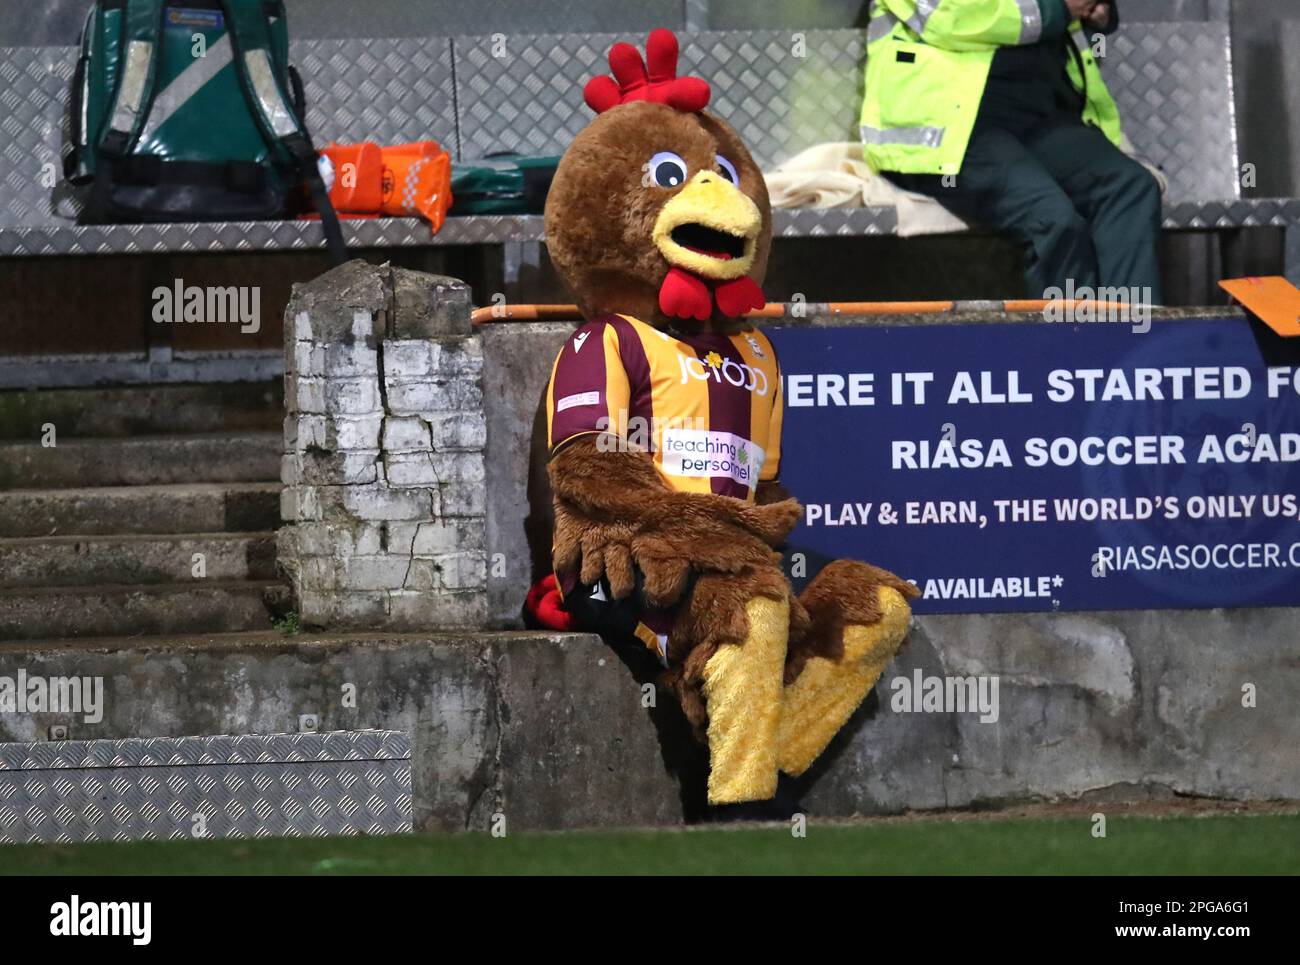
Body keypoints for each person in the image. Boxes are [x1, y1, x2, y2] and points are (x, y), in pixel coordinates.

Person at [861, 0, 1163, 304]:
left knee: (1130, 187)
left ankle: (1134, 344)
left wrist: (1094, 7)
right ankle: (1071, 347)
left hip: (1039, 119)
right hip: (953, 130)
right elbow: (950, 15)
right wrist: (1057, 8)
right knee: (1053, 220)